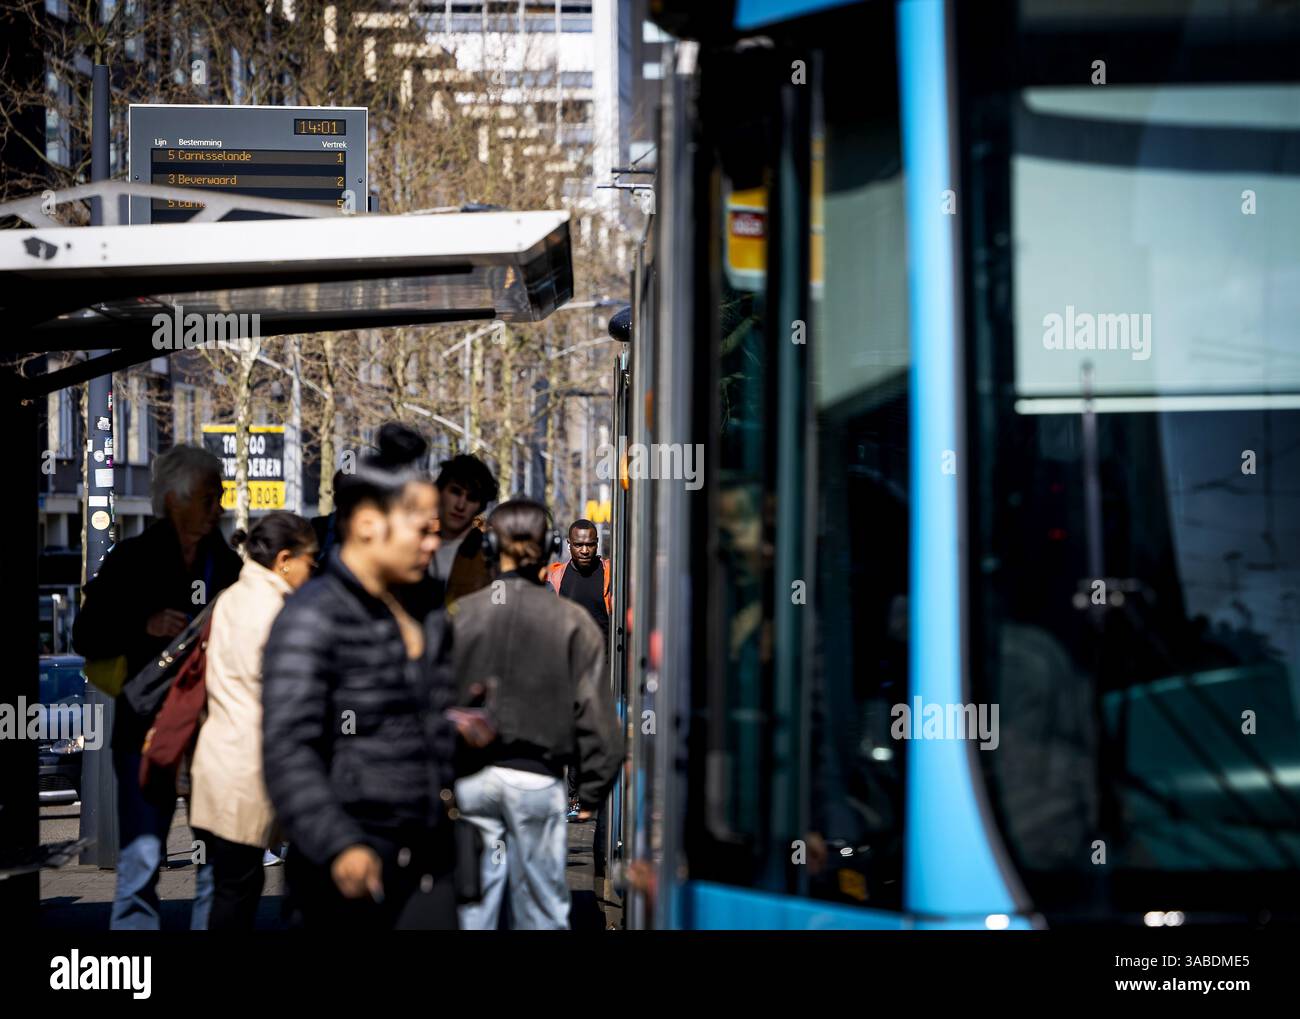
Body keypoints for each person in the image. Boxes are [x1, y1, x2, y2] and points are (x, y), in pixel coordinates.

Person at [261, 423, 492, 930]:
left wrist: (468, 732)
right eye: (423, 528)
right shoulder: (311, 617)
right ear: (368, 524)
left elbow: (432, 719)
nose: (435, 542)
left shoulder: (429, 607)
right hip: (346, 869)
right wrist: (339, 843)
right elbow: (287, 748)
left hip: (429, 856)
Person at [73, 444, 242, 930]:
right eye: (209, 498)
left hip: (213, 733)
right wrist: (142, 626)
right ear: (175, 499)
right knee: (141, 860)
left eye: (221, 496)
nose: (219, 508)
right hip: (147, 734)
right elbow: (86, 636)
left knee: (216, 863)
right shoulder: (132, 559)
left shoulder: (227, 566)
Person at [449, 499, 623, 930]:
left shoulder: (463, 616)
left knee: (476, 906)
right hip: (536, 778)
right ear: (551, 549)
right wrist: (595, 790)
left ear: (490, 550)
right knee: (542, 908)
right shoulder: (570, 623)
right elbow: (598, 715)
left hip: (472, 784)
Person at [189, 512, 318, 929]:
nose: (312, 569)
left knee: (232, 883)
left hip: (219, 762)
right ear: (284, 559)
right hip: (248, 770)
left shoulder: (231, 597)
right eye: (309, 560)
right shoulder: (274, 609)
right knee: (238, 890)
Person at [546, 519, 613, 820]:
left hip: (604, 667)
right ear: (569, 545)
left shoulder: (611, 573)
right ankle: (574, 796)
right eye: (579, 544)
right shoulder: (556, 578)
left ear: (597, 544)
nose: (585, 549)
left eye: (590, 544)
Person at [431, 453, 498, 606]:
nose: (460, 505)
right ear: (440, 492)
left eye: (472, 498)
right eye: (455, 492)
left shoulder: (490, 557)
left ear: (480, 506)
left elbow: (499, 611)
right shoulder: (416, 547)